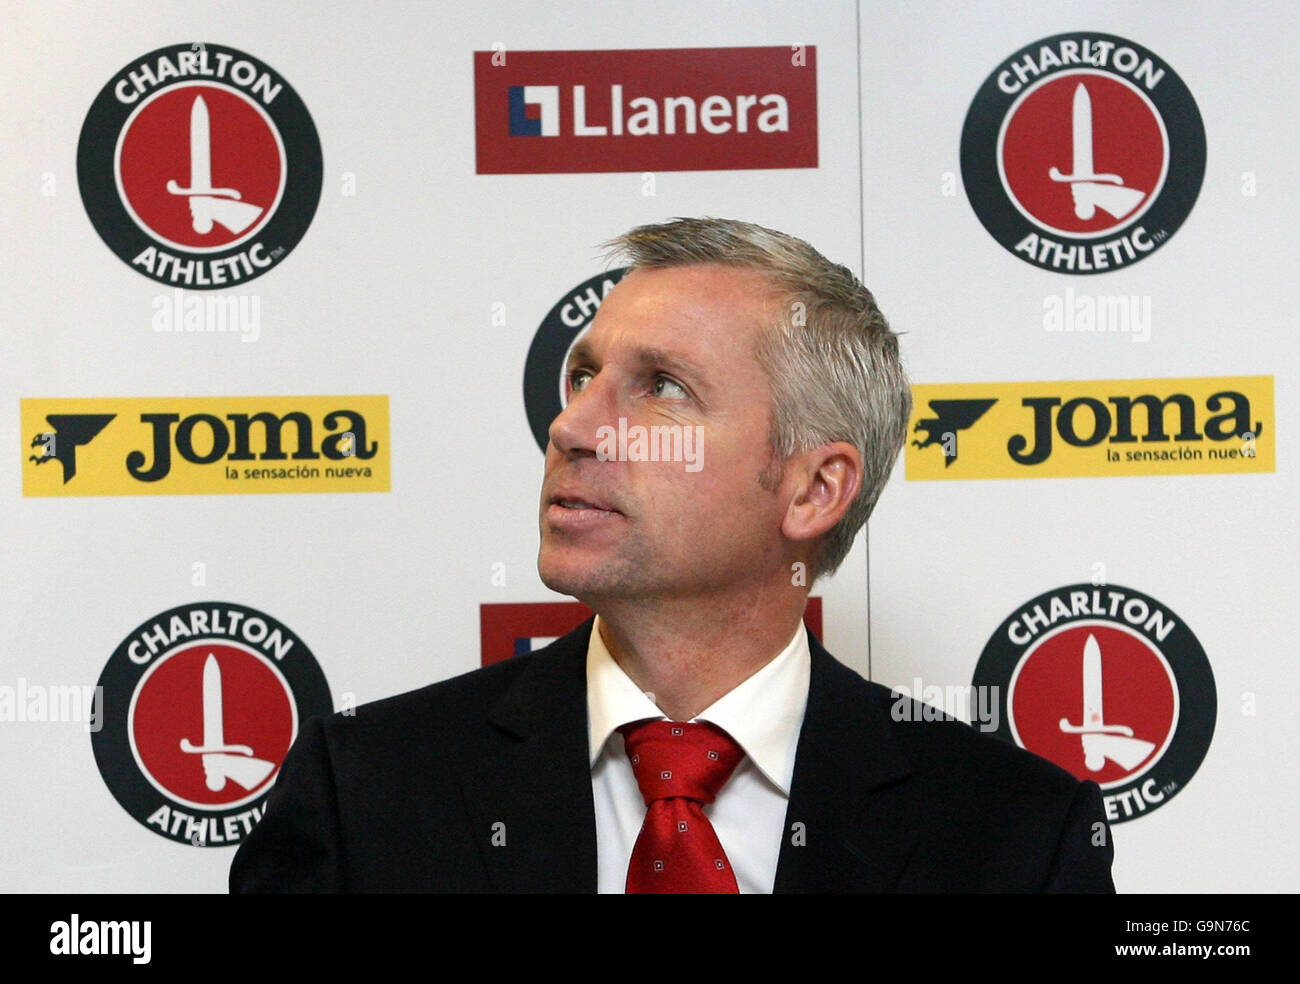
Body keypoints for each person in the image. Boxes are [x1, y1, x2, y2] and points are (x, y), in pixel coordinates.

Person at [229, 217, 1115, 893]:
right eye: (584, 377)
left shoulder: (1016, 839)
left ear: (813, 490)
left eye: (661, 387)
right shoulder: (366, 793)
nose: (570, 426)